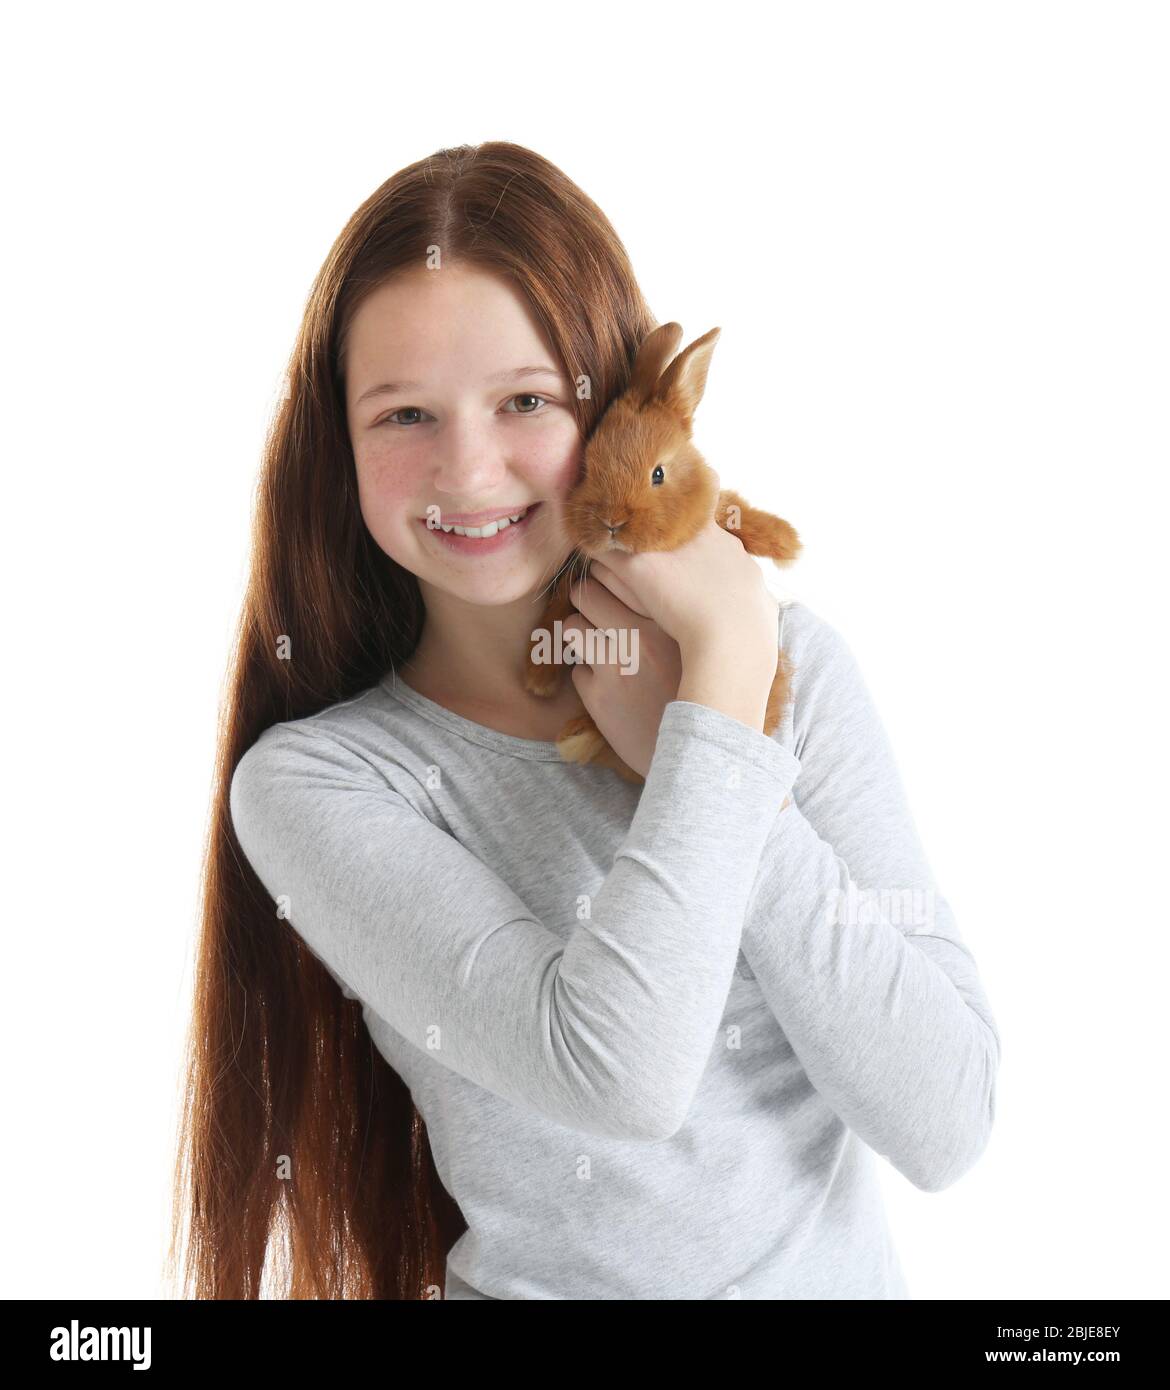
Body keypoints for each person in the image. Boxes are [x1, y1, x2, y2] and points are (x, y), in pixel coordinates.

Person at [169, 140, 1001, 1301]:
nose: (469, 468)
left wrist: (718, 718)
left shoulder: (791, 668)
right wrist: (714, 694)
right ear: (339, 449)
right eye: (405, 413)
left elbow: (947, 1118)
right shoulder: (323, 784)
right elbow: (617, 1072)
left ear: (616, 399)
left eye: (525, 400)